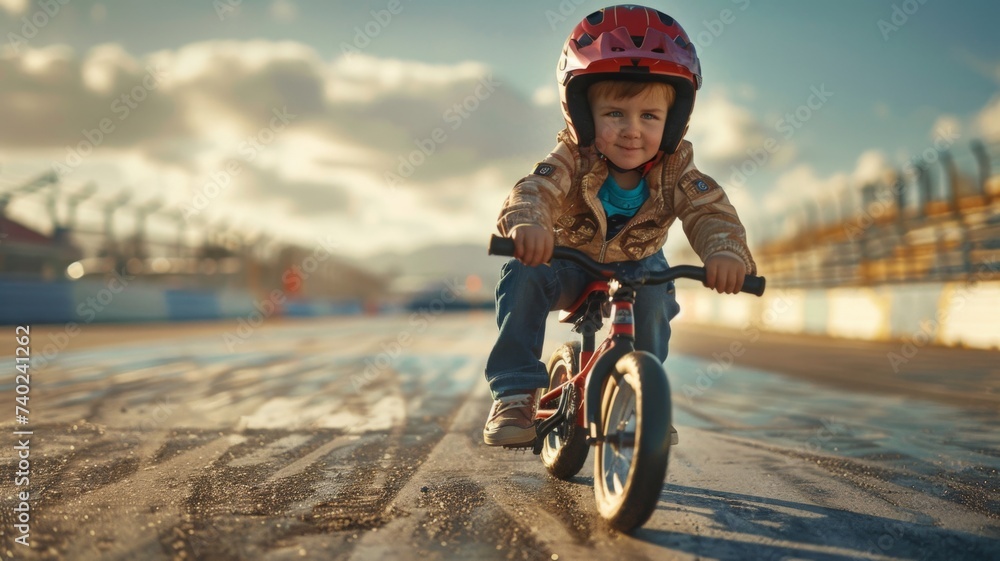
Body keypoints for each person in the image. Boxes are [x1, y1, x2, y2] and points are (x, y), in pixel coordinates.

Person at [483, 5, 757, 447]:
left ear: (673, 121)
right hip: (566, 263)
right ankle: (515, 391)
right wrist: (528, 227)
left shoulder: (677, 171)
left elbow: (711, 212)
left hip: (637, 267)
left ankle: (644, 397)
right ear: (584, 114)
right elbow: (534, 191)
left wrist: (725, 254)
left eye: (650, 116)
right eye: (615, 114)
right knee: (522, 272)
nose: (633, 131)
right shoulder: (573, 157)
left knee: (654, 298)